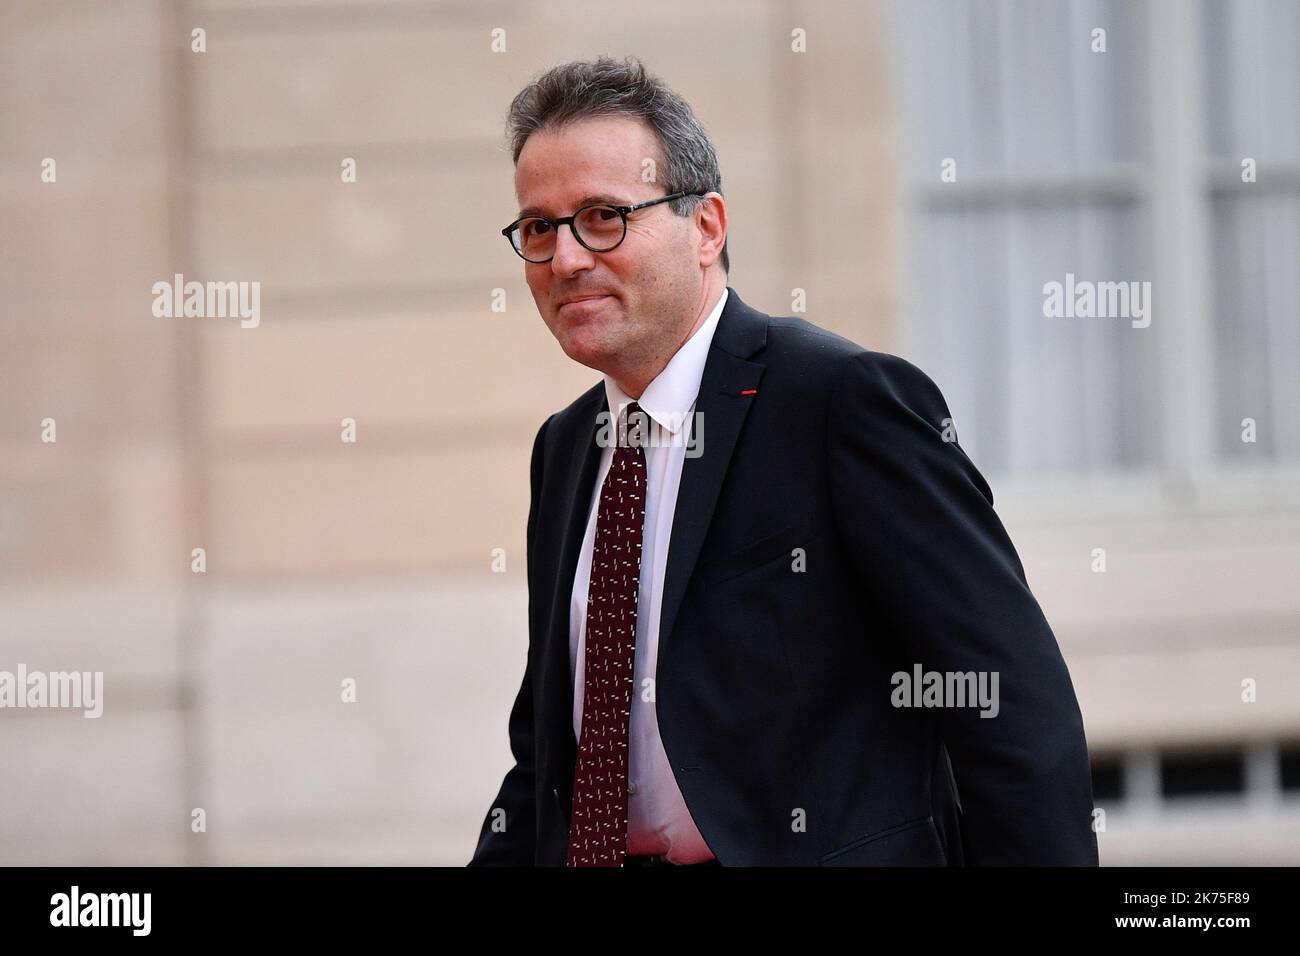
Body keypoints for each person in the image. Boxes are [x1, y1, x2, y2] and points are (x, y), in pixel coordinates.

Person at [468, 55, 1098, 867]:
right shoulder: (565, 448)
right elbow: (550, 759)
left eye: (602, 217)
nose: (566, 260)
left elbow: (1011, 710)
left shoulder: (842, 402)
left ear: (706, 228)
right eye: (539, 229)